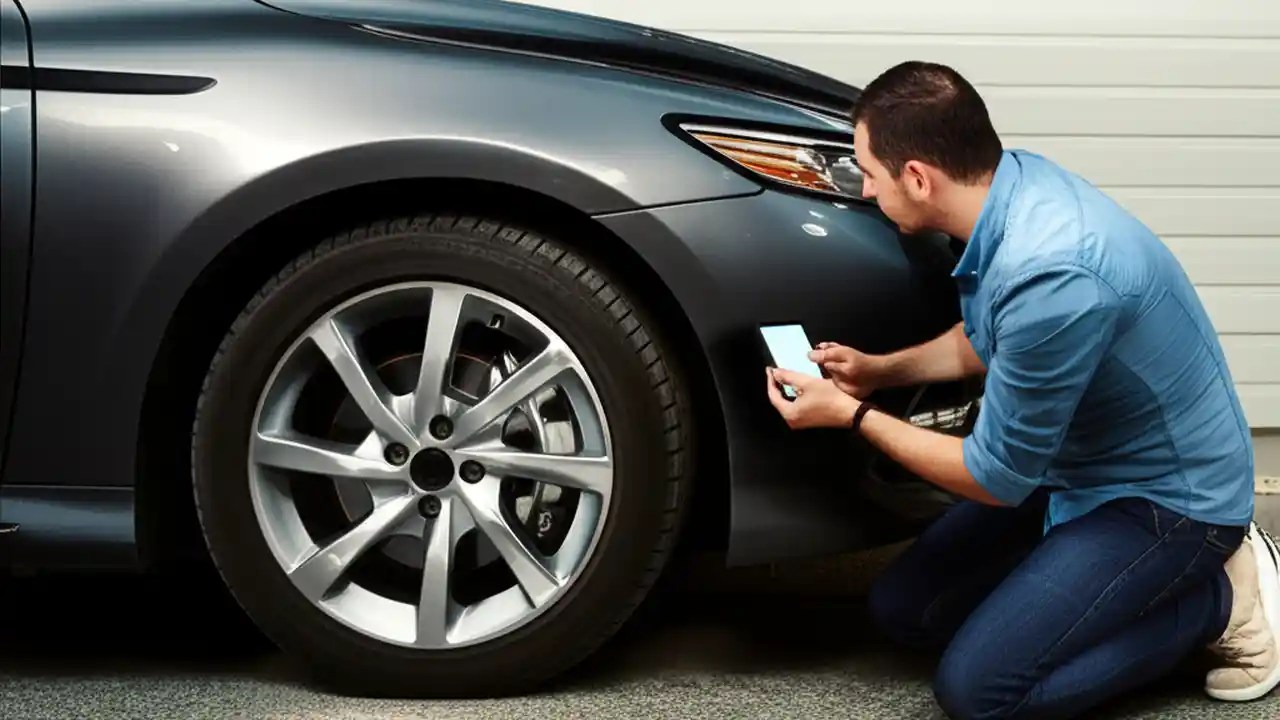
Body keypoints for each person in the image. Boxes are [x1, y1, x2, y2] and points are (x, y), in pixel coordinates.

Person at [764, 60, 1280, 719]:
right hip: (1075, 466)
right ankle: (1095, 589)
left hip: (1169, 503)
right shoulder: (1012, 188)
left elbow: (994, 478)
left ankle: (1220, 599)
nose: (864, 189)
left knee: (979, 693)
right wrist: (878, 371)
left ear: (918, 178)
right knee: (905, 610)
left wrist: (852, 414)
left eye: (868, 172)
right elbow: (990, 334)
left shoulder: (1052, 271)